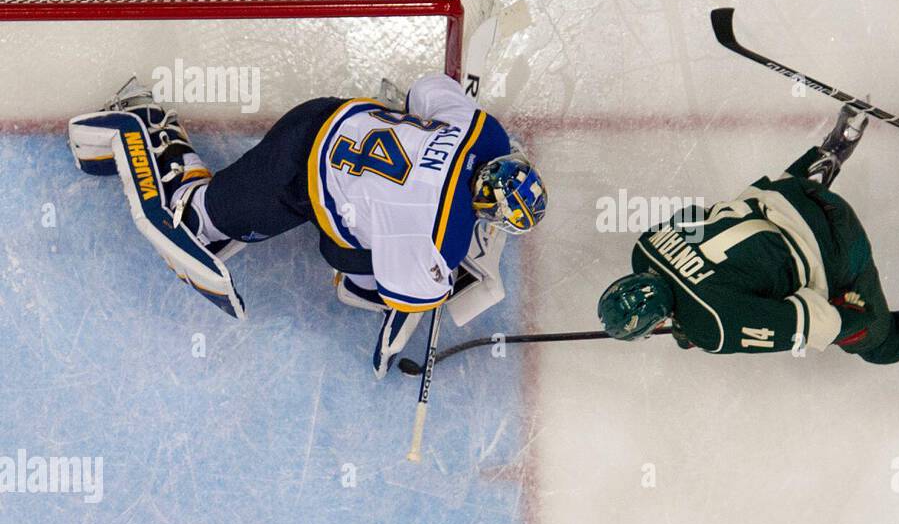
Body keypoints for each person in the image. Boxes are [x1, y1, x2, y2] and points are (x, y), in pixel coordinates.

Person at [68, 72, 546, 375]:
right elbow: (397, 295)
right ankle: (140, 119)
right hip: (297, 176)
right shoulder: (443, 234)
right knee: (198, 223)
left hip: (325, 116)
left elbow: (427, 87)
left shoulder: (483, 130)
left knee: (356, 226)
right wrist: (439, 285)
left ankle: (249, 212)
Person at [598, 106, 899, 375]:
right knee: (746, 213)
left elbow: (813, 321)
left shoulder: (715, 326)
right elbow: (705, 221)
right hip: (785, 197)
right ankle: (821, 162)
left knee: (879, 342)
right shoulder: (646, 246)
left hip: (838, 244)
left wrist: (698, 324)